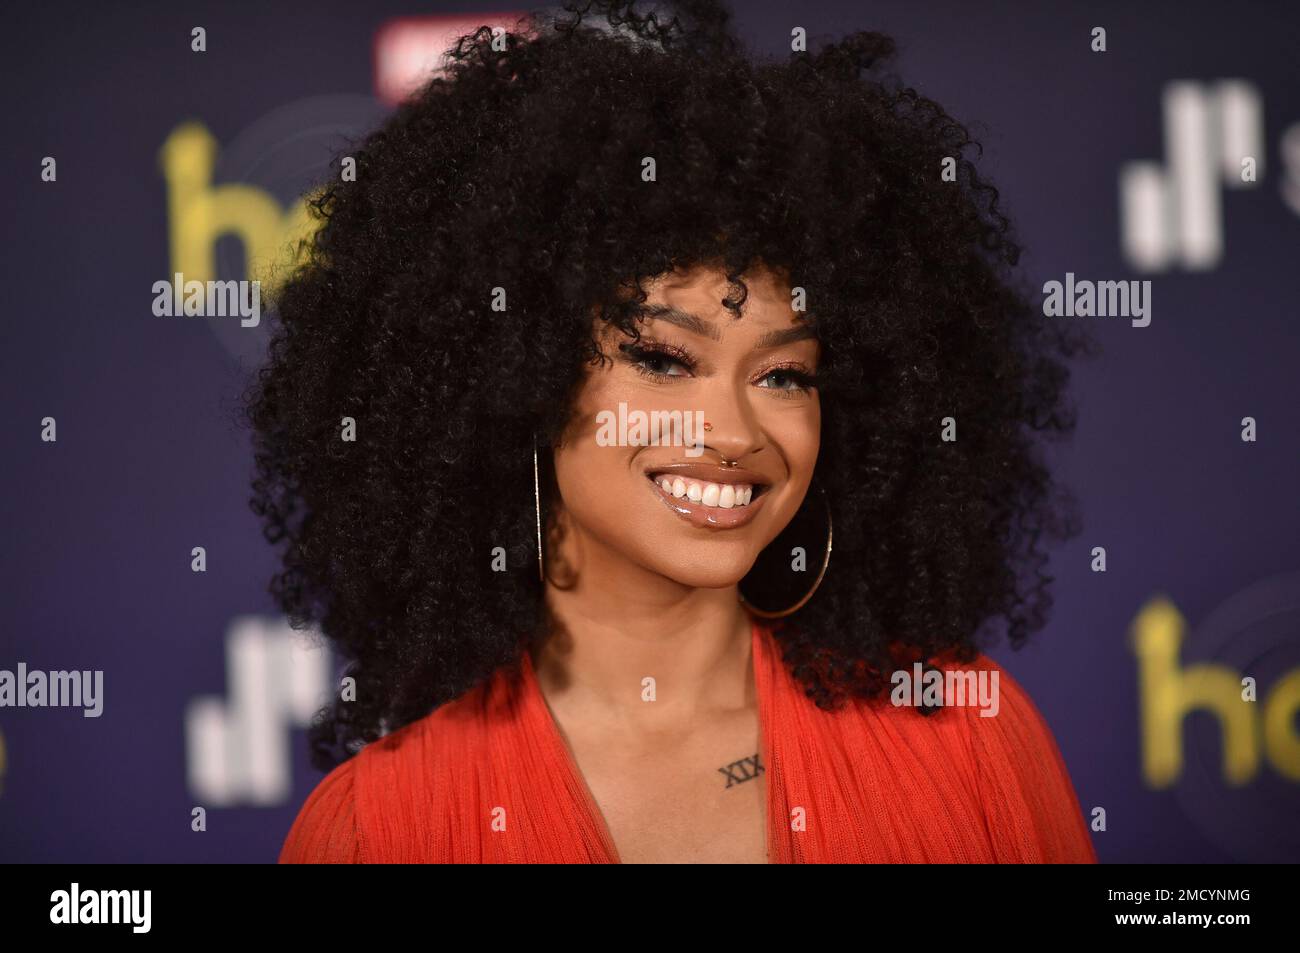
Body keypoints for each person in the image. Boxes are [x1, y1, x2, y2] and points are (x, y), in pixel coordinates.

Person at [249, 0, 1096, 863]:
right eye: (662, 359)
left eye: (784, 374)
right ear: (514, 376)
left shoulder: (963, 739)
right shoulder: (380, 830)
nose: (732, 432)